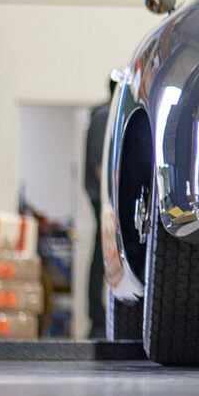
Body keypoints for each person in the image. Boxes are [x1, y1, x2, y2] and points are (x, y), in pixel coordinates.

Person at [85, 80, 115, 339]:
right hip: (102, 197)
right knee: (101, 253)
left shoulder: (101, 115)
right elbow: (99, 165)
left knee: (102, 252)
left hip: (102, 196)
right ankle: (96, 312)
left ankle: (98, 311)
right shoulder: (105, 116)